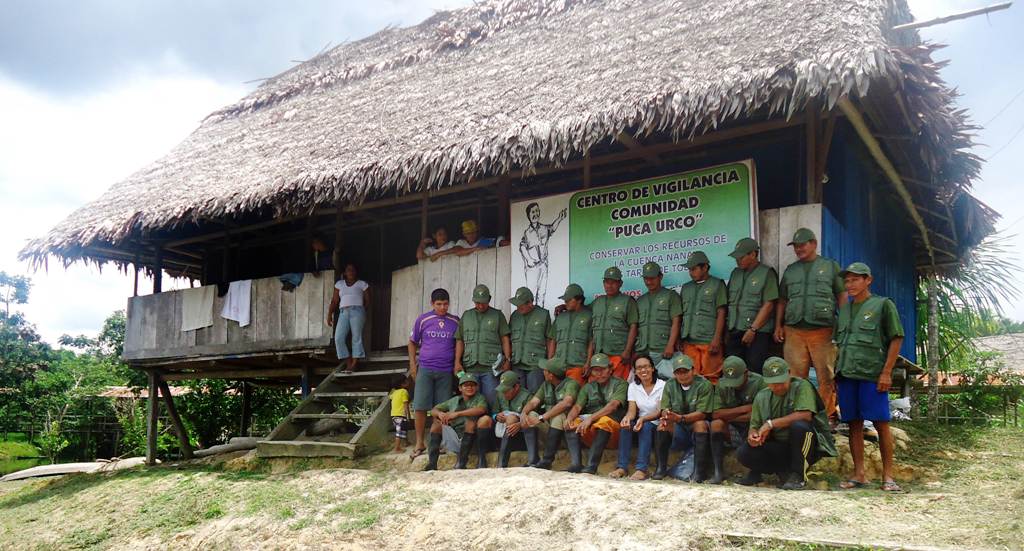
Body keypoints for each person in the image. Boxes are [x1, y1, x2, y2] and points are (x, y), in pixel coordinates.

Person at [834, 263, 905, 492]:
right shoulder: (845, 309)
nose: (850, 284)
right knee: (853, 424)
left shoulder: (883, 305)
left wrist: (886, 372)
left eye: (855, 280)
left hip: (871, 374)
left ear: (868, 280)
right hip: (846, 374)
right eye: (847, 281)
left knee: (880, 424)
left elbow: (896, 338)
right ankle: (859, 474)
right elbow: (840, 343)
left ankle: (888, 477)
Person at [774, 227, 846, 421]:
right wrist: (778, 325)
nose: (799, 249)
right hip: (794, 330)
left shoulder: (830, 266)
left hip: (823, 330)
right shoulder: (791, 270)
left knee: (826, 375)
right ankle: (798, 415)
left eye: (802, 244)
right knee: (795, 377)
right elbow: (782, 300)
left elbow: (841, 295)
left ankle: (826, 416)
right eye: (796, 246)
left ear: (813, 243)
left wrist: (845, 323)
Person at [736, 356, 837, 489]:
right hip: (780, 446)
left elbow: (805, 415)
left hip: (805, 446)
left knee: (800, 426)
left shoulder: (802, 386)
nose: (777, 386)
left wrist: (771, 424)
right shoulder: (762, 396)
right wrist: (754, 436)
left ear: (789, 374)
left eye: (781, 381)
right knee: (744, 452)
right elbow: (754, 426)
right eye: (773, 383)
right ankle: (781, 471)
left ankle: (798, 475)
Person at [407, 288, 460, 460]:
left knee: (441, 408)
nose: (442, 307)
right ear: (432, 303)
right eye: (439, 304)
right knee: (421, 406)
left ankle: (439, 443)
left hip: (446, 370)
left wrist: (456, 364)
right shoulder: (423, 320)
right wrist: (413, 365)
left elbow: (460, 343)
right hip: (425, 368)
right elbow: (412, 342)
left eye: (445, 304)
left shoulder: (455, 321)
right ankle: (420, 442)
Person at [565, 353, 628, 475]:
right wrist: (569, 418)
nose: (600, 373)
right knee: (572, 423)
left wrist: (590, 419)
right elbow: (577, 406)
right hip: (592, 428)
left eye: (603, 369)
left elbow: (613, 405)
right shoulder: (588, 387)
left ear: (610, 369)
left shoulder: (621, 384)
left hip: (613, 430)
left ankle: (591, 466)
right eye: (595, 370)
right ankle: (576, 464)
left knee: (604, 422)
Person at [655, 354, 714, 482]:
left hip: (696, 427)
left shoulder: (704, 384)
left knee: (700, 423)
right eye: (678, 372)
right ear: (674, 374)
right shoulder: (670, 385)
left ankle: (699, 472)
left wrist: (680, 418)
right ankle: (660, 468)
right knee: (663, 425)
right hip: (679, 426)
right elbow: (665, 407)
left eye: (685, 371)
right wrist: (667, 414)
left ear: (693, 370)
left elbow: (703, 413)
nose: (682, 375)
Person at [724, 238, 779, 375]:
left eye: (741, 257)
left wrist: (753, 329)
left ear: (753, 254)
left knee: (754, 372)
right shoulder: (735, 273)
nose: (738, 260)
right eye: (736, 257)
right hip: (735, 330)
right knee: (733, 371)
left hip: (757, 333)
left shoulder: (767, 273)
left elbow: (769, 304)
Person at [454, 284, 512, 410]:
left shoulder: (497, 315)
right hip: (470, 367)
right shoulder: (466, 315)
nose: (480, 306)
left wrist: (507, 359)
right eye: (477, 303)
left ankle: (491, 427)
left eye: (483, 303)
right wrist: (457, 361)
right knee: (471, 401)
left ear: (489, 299)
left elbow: (505, 339)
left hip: (491, 368)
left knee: (492, 399)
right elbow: (460, 340)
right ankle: (472, 429)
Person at [709, 356, 765, 484]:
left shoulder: (760, 382)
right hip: (731, 427)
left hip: (752, 426)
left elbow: (760, 414)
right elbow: (716, 414)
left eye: (737, 380)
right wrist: (744, 409)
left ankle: (755, 472)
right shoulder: (722, 384)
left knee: (760, 426)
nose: (734, 385)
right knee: (716, 424)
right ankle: (718, 471)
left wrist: (729, 415)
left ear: (746, 373)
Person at [610, 354, 664, 480]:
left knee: (645, 427)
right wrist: (627, 418)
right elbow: (632, 411)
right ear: (635, 371)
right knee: (625, 427)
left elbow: (659, 411)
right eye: (639, 368)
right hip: (640, 420)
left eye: (646, 367)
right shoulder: (633, 386)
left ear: (653, 368)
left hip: (657, 421)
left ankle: (641, 469)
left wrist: (643, 419)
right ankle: (622, 467)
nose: (643, 370)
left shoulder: (662, 385)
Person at [520, 357, 580, 469]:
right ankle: (533, 459)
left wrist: (543, 417)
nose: (543, 372)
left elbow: (567, 403)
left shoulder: (571, 384)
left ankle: (547, 460)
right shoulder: (546, 385)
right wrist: (523, 413)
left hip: (566, 429)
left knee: (559, 416)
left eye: (545, 370)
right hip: (550, 430)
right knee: (530, 415)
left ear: (551, 375)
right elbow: (533, 403)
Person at [423, 372, 489, 471]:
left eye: (472, 385)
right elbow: (433, 410)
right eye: (466, 385)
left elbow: (481, 409)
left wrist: (458, 414)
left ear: (476, 387)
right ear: (460, 388)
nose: (469, 388)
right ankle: (432, 464)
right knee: (436, 425)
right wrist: (440, 414)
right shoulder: (454, 400)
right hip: (455, 436)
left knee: (471, 422)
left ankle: (461, 463)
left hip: (473, 438)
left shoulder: (480, 398)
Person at [678, 251, 728, 382]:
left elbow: (721, 312)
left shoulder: (717, 285)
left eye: (694, 269)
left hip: (709, 341)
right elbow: (682, 316)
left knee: (711, 377)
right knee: (691, 378)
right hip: (689, 342)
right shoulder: (686, 288)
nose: (691, 272)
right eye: (689, 269)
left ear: (705, 267)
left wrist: (717, 338)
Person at [478, 370, 536, 467]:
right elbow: (494, 413)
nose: (504, 393)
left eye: (507, 390)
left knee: (511, 419)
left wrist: (519, 424)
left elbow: (531, 419)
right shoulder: (500, 394)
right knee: (483, 420)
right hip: (499, 434)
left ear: (516, 387)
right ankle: (481, 460)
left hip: (518, 436)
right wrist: (496, 416)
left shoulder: (527, 396)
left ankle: (501, 463)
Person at [590, 266, 639, 381]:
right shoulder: (598, 302)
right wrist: (564, 306)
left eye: (614, 282)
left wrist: (627, 351)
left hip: (618, 354)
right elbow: (581, 310)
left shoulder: (627, 301)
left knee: (618, 387)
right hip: (599, 355)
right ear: (603, 283)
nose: (610, 285)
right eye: (607, 282)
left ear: (620, 283)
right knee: (597, 387)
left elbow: (633, 326)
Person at [635, 262, 682, 375]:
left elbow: (676, 321)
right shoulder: (640, 300)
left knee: (669, 381)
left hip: (663, 350)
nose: (649, 282)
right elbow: (636, 327)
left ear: (660, 277)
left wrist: (670, 345)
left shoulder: (671, 296)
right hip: (643, 351)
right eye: (646, 278)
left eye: (652, 278)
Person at [519, 202, 567, 306]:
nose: (535, 214)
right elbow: (522, 247)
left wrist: (560, 218)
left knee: (542, 293)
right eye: (532, 212)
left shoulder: (544, 228)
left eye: (537, 211)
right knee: (531, 296)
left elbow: (552, 228)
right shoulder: (527, 233)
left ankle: (540, 316)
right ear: (528, 215)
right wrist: (529, 259)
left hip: (543, 265)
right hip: (532, 268)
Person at [327, 263, 370, 373]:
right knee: (338, 338)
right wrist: (329, 314)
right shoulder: (339, 284)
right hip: (343, 312)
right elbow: (335, 301)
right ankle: (349, 362)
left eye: (352, 270)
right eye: (348, 270)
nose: (350, 271)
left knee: (356, 337)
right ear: (345, 273)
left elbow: (368, 300)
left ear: (356, 272)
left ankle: (354, 364)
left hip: (358, 311)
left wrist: (361, 311)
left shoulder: (362, 284)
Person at [547, 283, 594, 384]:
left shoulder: (589, 316)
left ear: (579, 300)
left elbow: (591, 342)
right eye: (565, 300)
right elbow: (553, 341)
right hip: (558, 366)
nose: (565, 302)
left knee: (572, 396)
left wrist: (588, 363)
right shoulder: (560, 317)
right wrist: (549, 363)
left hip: (577, 365)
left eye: (569, 300)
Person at [508, 286, 551, 394]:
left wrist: (549, 363)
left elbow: (549, 340)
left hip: (535, 364)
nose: (518, 308)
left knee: (534, 395)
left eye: (521, 306)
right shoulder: (514, 316)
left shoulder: (543, 314)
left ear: (530, 303)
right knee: (518, 396)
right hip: (517, 363)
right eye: (517, 305)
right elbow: (508, 339)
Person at [388, 376, 413, 453]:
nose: (409, 383)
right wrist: (408, 416)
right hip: (401, 415)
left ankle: (406, 442)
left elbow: (389, 396)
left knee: (403, 429)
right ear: (403, 384)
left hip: (394, 415)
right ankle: (397, 448)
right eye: (407, 381)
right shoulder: (404, 392)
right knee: (399, 431)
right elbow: (405, 405)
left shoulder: (394, 393)